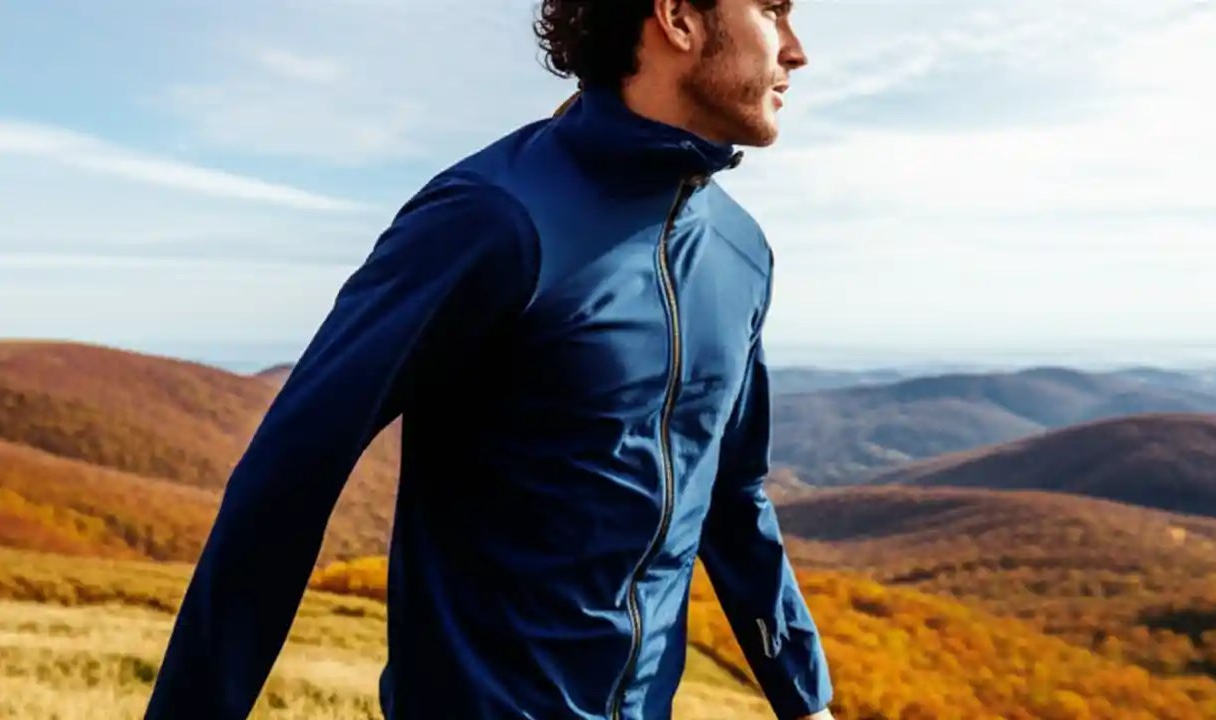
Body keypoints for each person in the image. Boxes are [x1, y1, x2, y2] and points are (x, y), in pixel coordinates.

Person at [143, 0, 835, 718]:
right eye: (771, 10)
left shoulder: (739, 250)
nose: (796, 50)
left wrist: (804, 696)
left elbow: (731, 494)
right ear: (677, 18)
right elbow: (289, 480)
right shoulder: (490, 217)